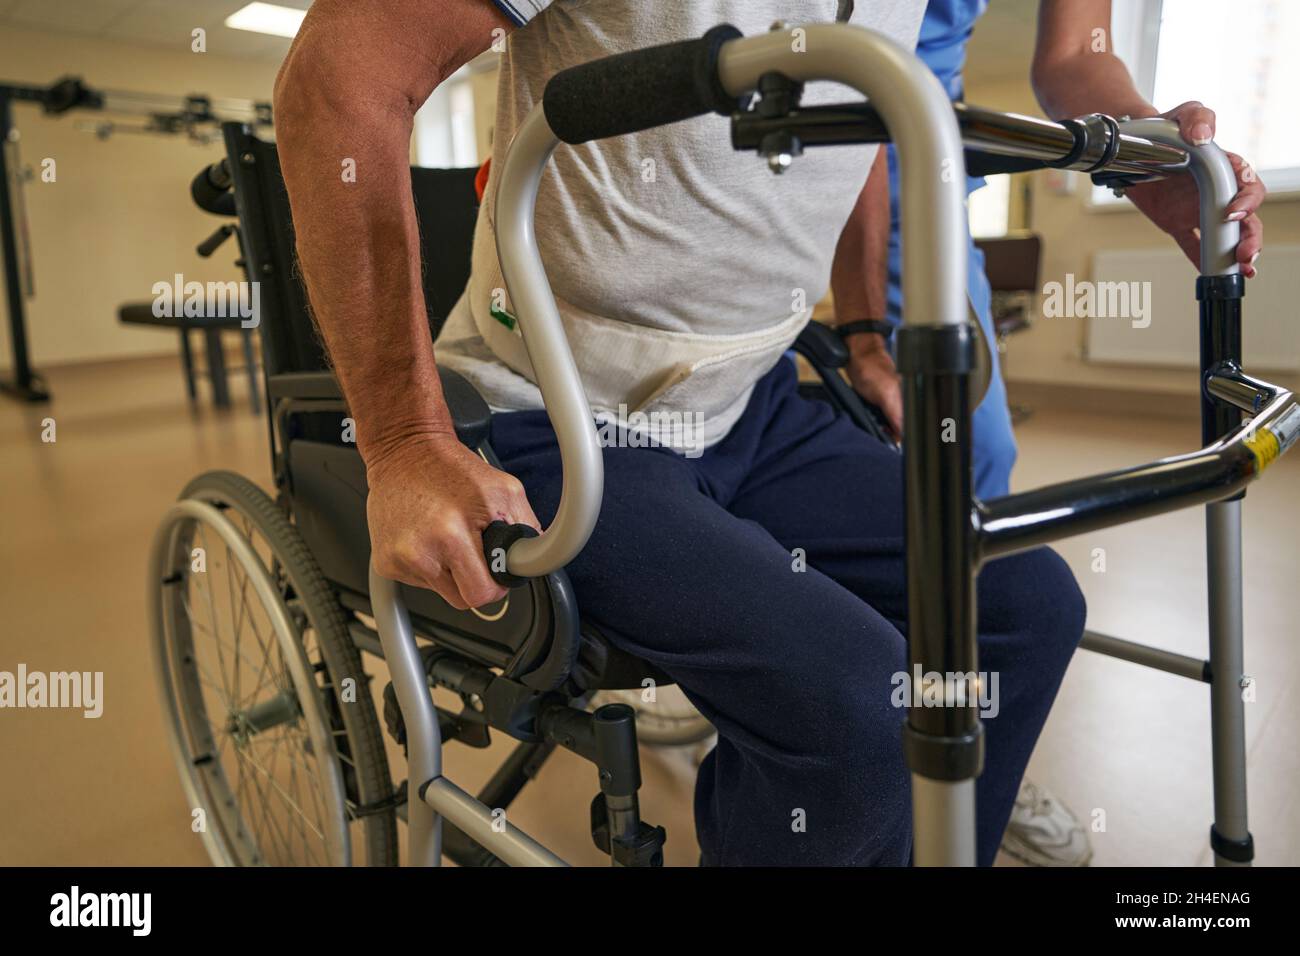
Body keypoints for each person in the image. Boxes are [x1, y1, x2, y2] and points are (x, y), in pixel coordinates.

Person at [273, 0, 1261, 865]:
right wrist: (401, 438)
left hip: (753, 403)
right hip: (557, 414)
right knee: (852, 715)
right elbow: (337, 74)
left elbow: (870, 123)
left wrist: (866, 335)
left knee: (1024, 606)